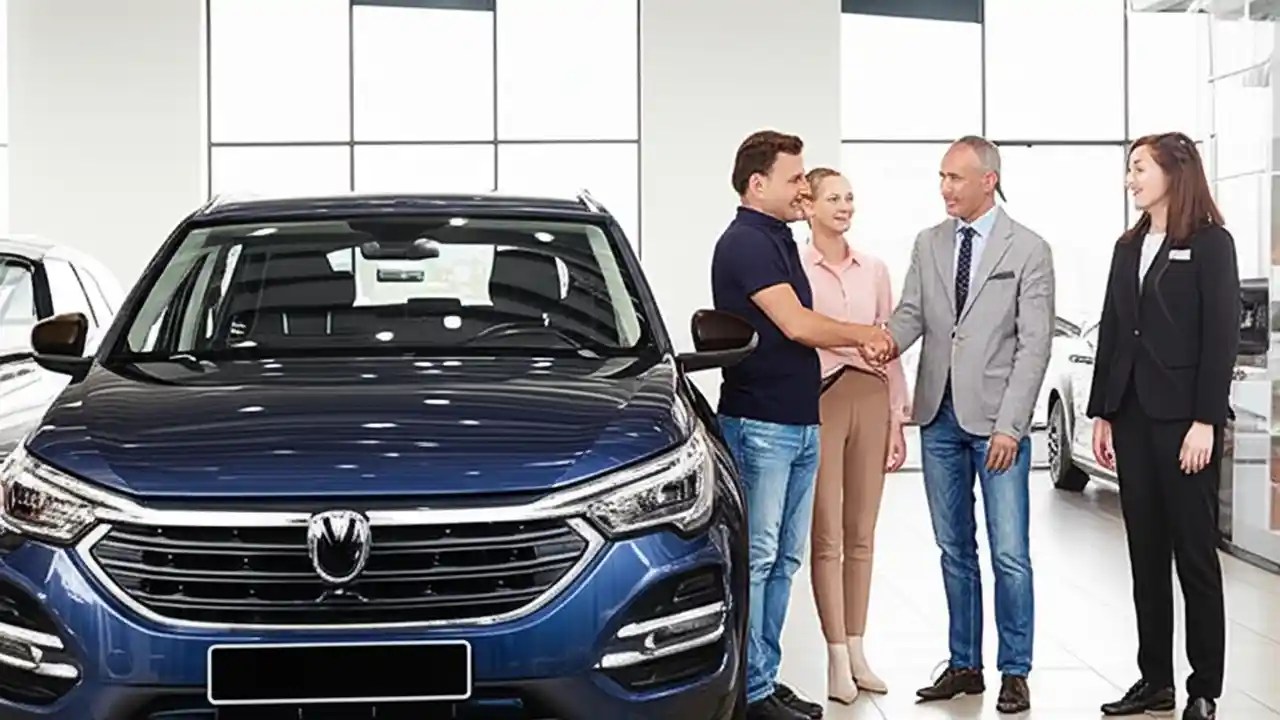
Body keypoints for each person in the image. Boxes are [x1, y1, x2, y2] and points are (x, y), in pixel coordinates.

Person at [710, 130, 893, 720]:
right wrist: (863, 334)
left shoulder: (778, 238)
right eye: (794, 179)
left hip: (797, 421)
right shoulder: (745, 242)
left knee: (783, 562)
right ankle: (749, 692)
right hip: (762, 424)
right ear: (756, 184)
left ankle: (764, 678)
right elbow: (797, 324)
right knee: (759, 561)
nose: (804, 189)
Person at [878, 135, 1054, 715]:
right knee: (954, 548)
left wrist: (1011, 426)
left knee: (1009, 554)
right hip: (938, 417)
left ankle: (1015, 671)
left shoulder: (1029, 249)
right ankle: (964, 665)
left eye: (955, 178)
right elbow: (911, 315)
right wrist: (883, 343)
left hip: (997, 424)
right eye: (941, 177)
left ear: (988, 180)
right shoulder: (929, 243)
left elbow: (1034, 346)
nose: (945, 188)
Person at [1089, 132, 1236, 720]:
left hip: (1185, 422)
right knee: (1145, 555)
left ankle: (1204, 688)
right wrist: (1103, 410)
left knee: (1194, 557)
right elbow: (1112, 328)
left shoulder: (1210, 243)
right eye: (1129, 169)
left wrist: (1206, 419)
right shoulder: (1128, 246)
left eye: (1140, 168)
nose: (1130, 179)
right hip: (1132, 416)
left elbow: (1220, 336)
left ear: (1175, 172)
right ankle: (1155, 681)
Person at [798, 167, 909, 704]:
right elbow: (798, 333)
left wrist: (897, 416)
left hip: (871, 397)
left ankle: (860, 652)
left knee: (862, 531)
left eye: (849, 198)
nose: (845, 206)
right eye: (833, 198)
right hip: (820, 398)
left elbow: (890, 343)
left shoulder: (875, 269)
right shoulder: (795, 267)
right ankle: (836, 656)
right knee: (827, 536)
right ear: (808, 206)